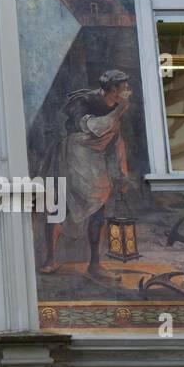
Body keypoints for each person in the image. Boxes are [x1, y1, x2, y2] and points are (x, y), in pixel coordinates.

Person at [38, 69, 133, 279]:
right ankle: (51, 258)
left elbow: (116, 139)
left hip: (96, 162)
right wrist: (120, 111)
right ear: (114, 88)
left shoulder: (118, 106)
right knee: (59, 207)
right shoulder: (83, 100)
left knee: (99, 209)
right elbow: (92, 128)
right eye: (124, 87)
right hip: (71, 157)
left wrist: (121, 173)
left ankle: (95, 264)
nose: (128, 91)